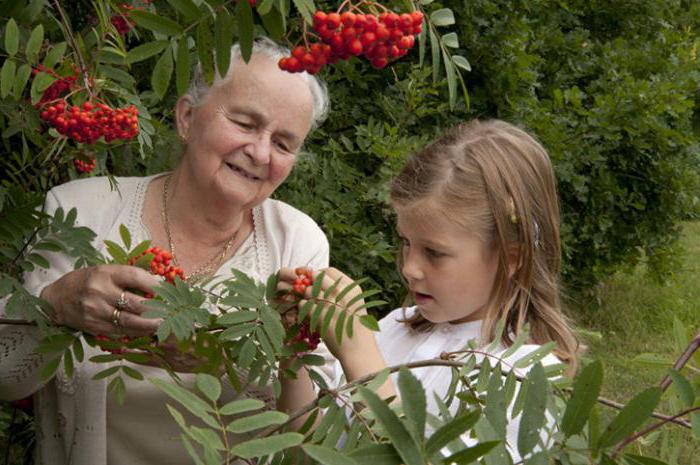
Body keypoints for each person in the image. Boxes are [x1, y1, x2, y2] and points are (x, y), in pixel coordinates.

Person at [0, 38, 333, 465]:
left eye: (284, 143)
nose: (260, 152)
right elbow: (8, 382)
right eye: (246, 123)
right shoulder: (79, 212)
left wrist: (238, 360)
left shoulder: (297, 243)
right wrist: (55, 305)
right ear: (187, 117)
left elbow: (308, 442)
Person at [277, 119, 579, 461]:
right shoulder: (395, 326)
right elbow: (311, 454)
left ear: (511, 258)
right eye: (406, 242)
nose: (409, 267)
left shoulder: (528, 378)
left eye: (434, 252)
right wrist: (293, 357)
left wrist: (359, 354)